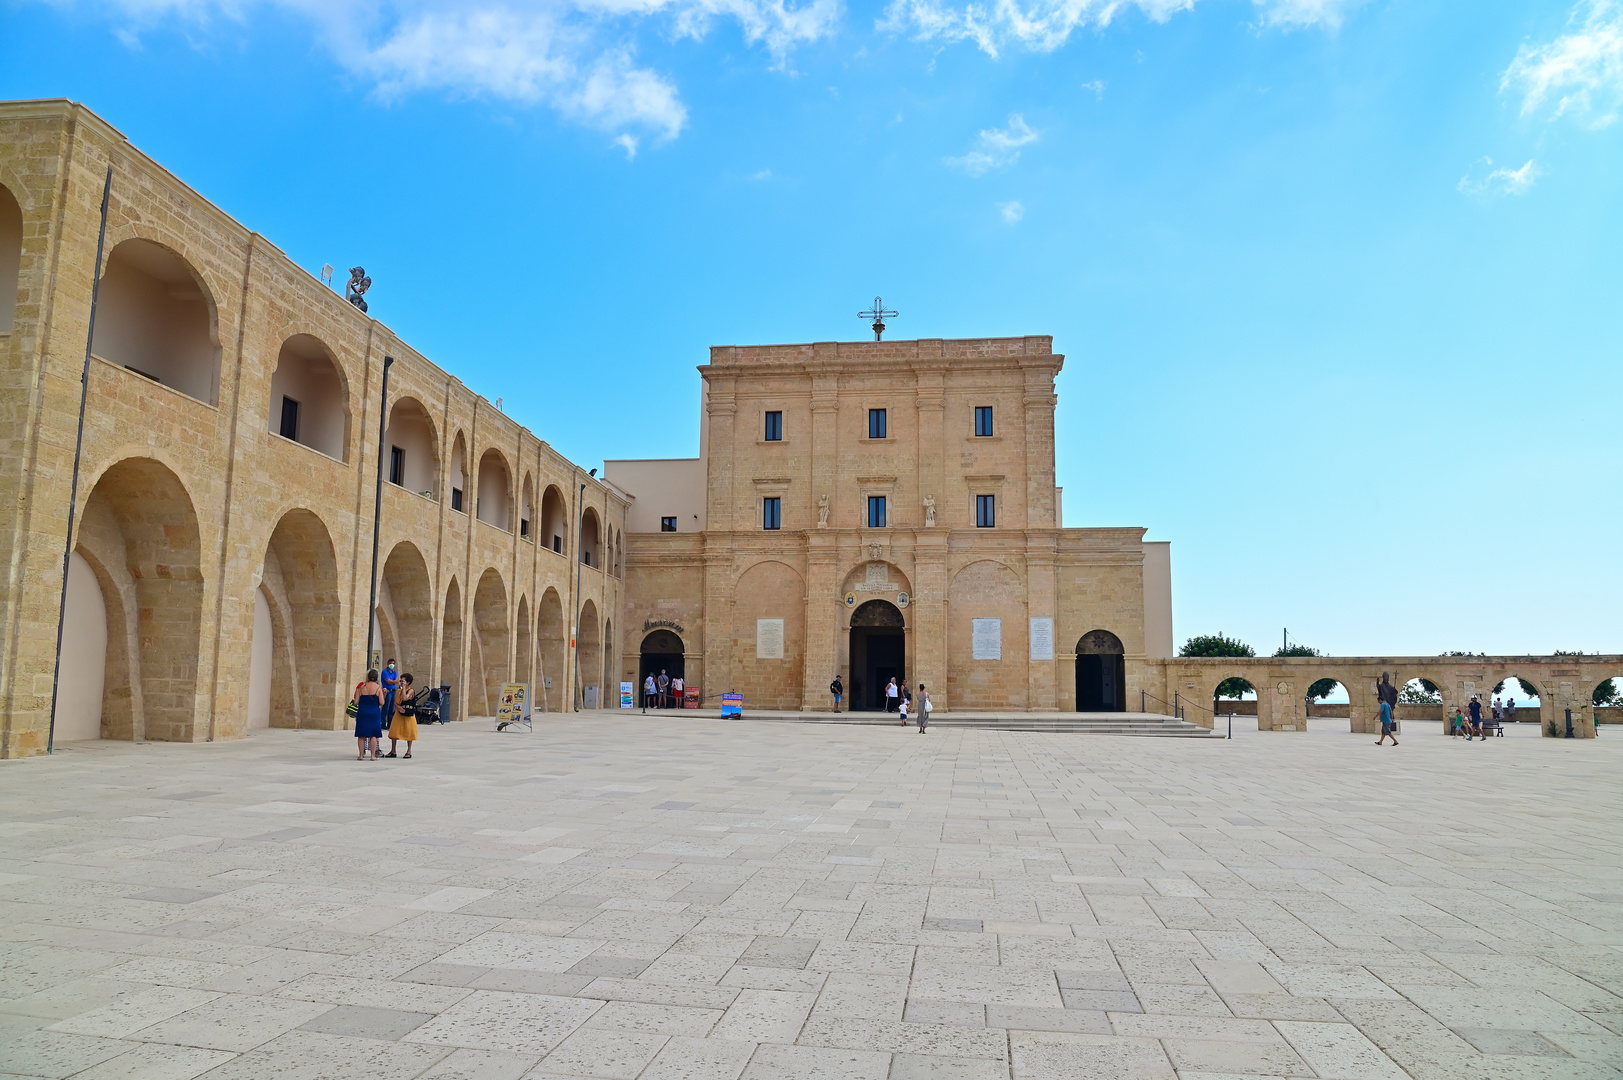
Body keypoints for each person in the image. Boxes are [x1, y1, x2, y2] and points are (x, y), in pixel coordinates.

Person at [352, 668, 386, 760]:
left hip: (362, 711)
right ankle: (372, 755)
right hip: (374, 712)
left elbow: (356, 702)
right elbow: (382, 702)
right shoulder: (378, 688)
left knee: (361, 734)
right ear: (377, 677)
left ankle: (361, 755)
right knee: (373, 734)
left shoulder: (361, 687)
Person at [386, 673, 418, 759]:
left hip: (408, 715)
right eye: (400, 681)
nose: (401, 682)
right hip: (398, 714)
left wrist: (404, 688)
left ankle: (408, 751)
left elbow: (405, 698)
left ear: (408, 682)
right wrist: (398, 707)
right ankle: (393, 750)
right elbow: (395, 702)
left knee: (409, 732)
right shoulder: (398, 691)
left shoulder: (411, 690)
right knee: (394, 732)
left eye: (403, 681)